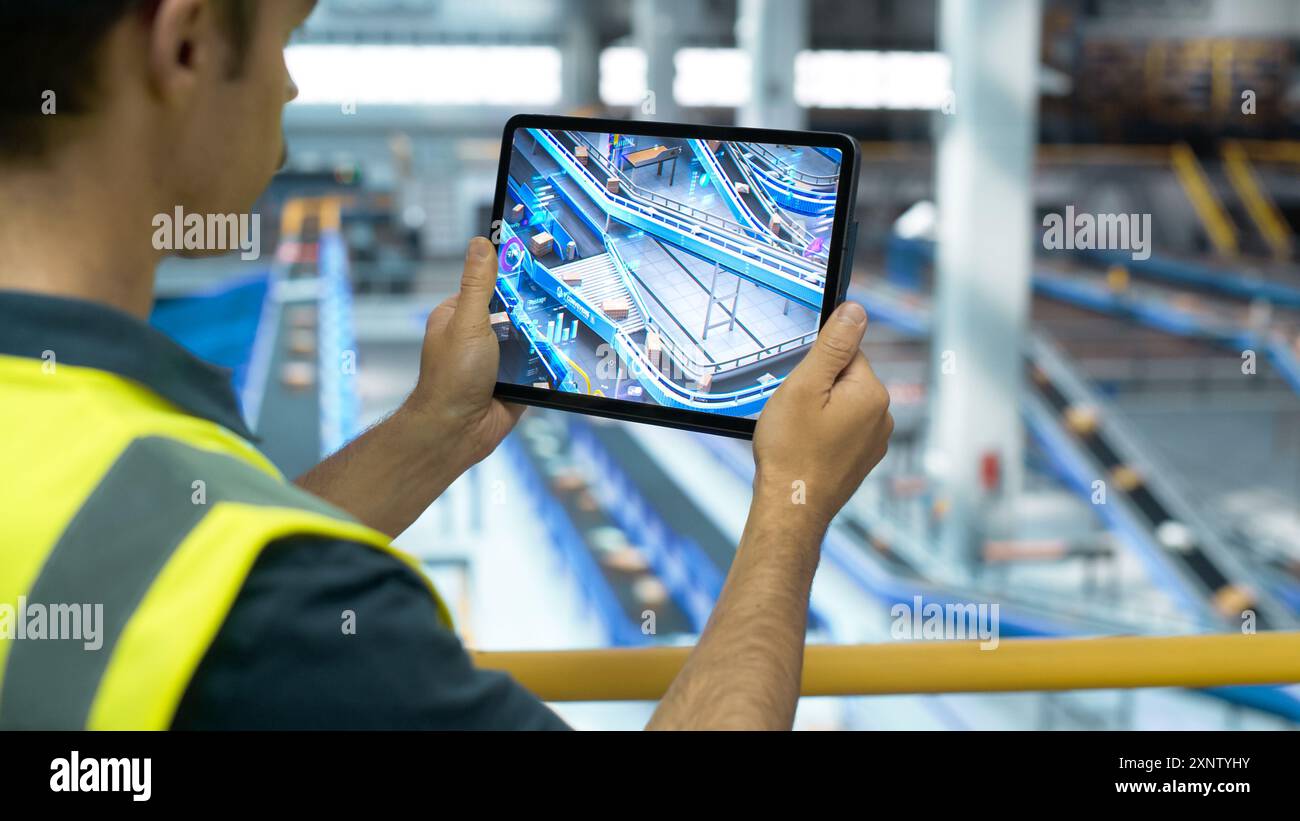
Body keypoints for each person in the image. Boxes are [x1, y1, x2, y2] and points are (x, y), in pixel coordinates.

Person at [0, 0, 893, 730]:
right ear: (185, 44)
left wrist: (433, 432)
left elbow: (171, 563)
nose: (290, 80)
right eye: (287, 35)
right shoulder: (306, 623)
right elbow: (223, 587)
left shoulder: (100, 458)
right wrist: (792, 502)